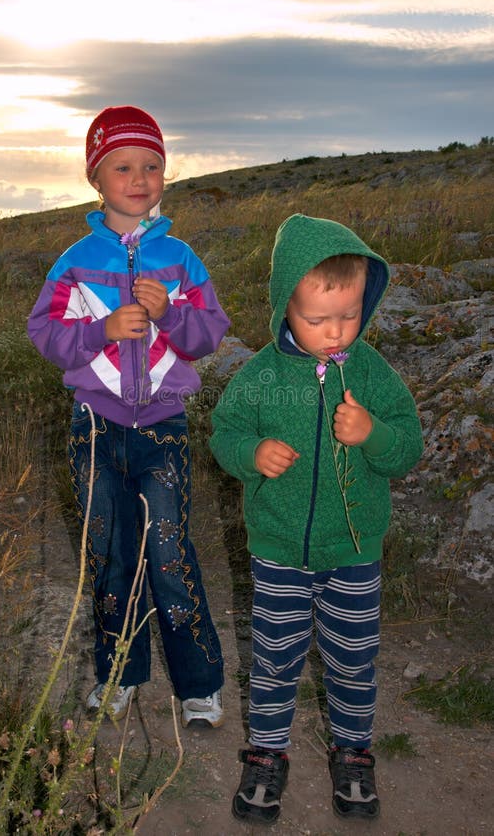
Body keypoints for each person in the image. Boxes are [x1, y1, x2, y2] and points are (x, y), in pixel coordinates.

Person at [209, 214, 424, 824]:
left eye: (350, 315)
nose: (335, 332)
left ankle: (353, 751)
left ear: (366, 299)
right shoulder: (262, 377)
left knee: (353, 656)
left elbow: (407, 445)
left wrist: (373, 434)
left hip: (353, 551)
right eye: (316, 319)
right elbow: (225, 434)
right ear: (284, 306)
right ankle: (267, 754)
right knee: (275, 655)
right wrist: (251, 455)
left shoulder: (373, 372)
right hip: (278, 549)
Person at [28, 105, 229, 725]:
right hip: (93, 427)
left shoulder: (182, 260)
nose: (138, 178)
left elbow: (210, 333)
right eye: (123, 166)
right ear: (97, 177)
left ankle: (198, 685)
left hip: (163, 429)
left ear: (164, 175)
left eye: (151, 165)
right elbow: (45, 332)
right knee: (111, 556)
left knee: (169, 554)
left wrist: (170, 313)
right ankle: (120, 674)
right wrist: (100, 330)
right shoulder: (75, 261)